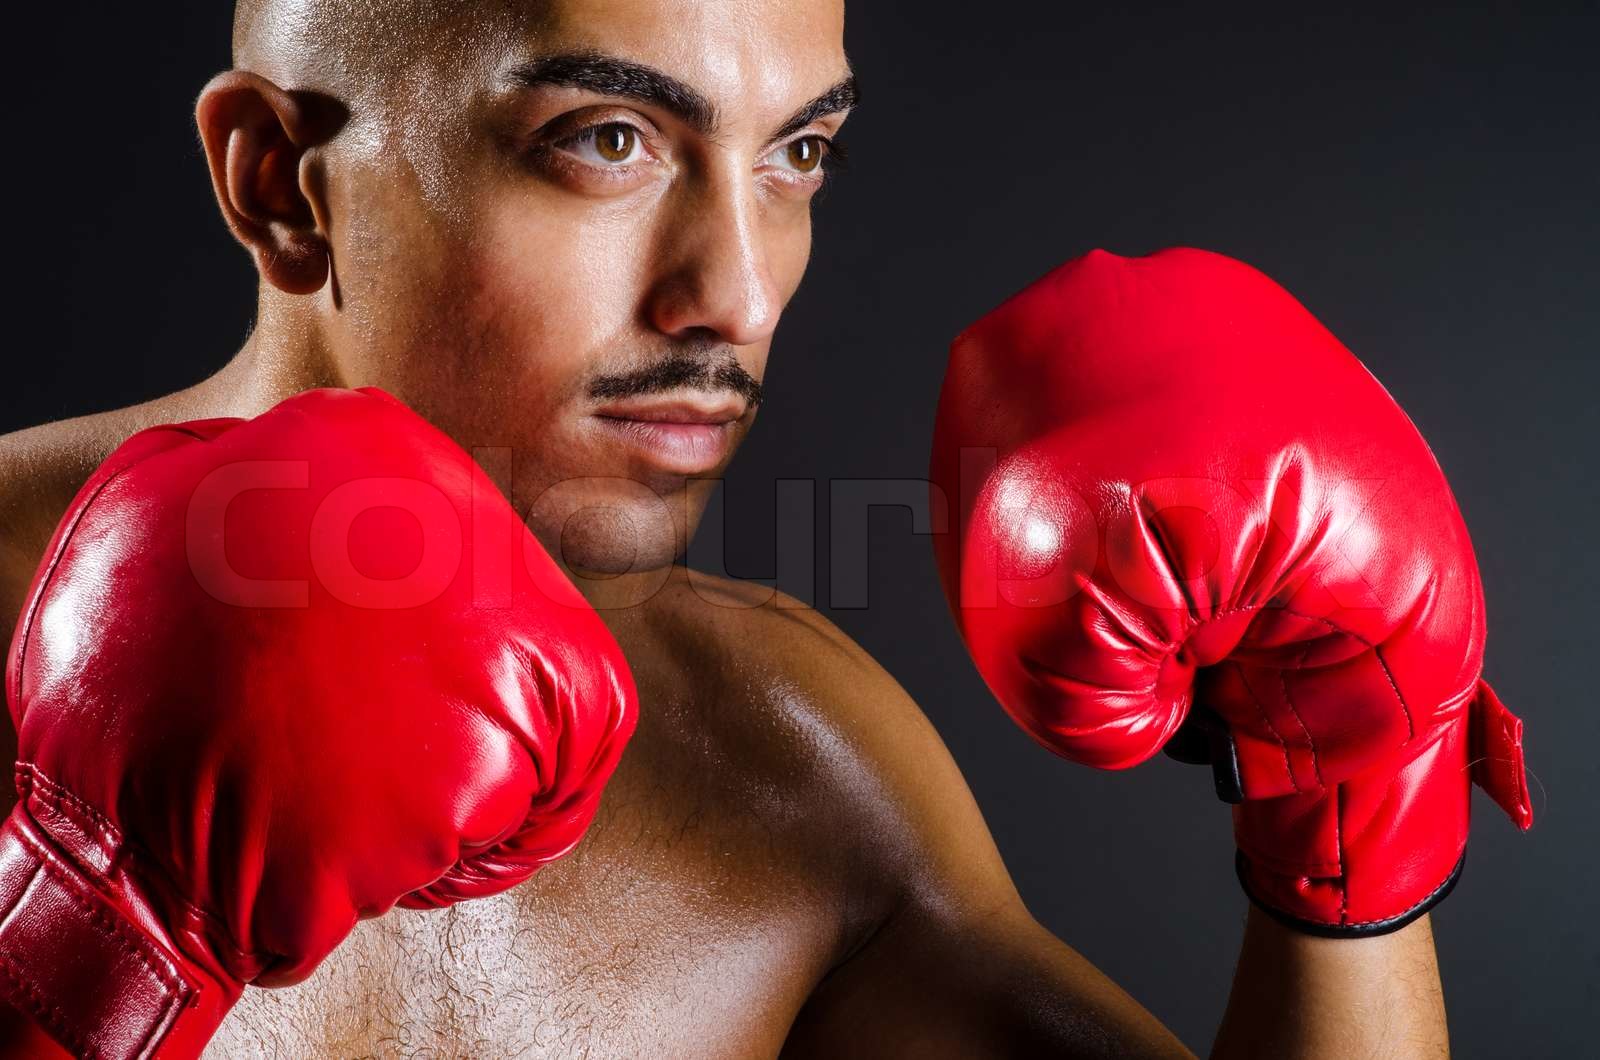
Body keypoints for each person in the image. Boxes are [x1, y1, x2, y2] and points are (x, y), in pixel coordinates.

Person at [0, 1, 1516, 1055]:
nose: (740, 293)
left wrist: (1350, 795)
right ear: (280, 184)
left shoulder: (783, 761)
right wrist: (64, 940)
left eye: (798, 153)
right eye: (607, 139)